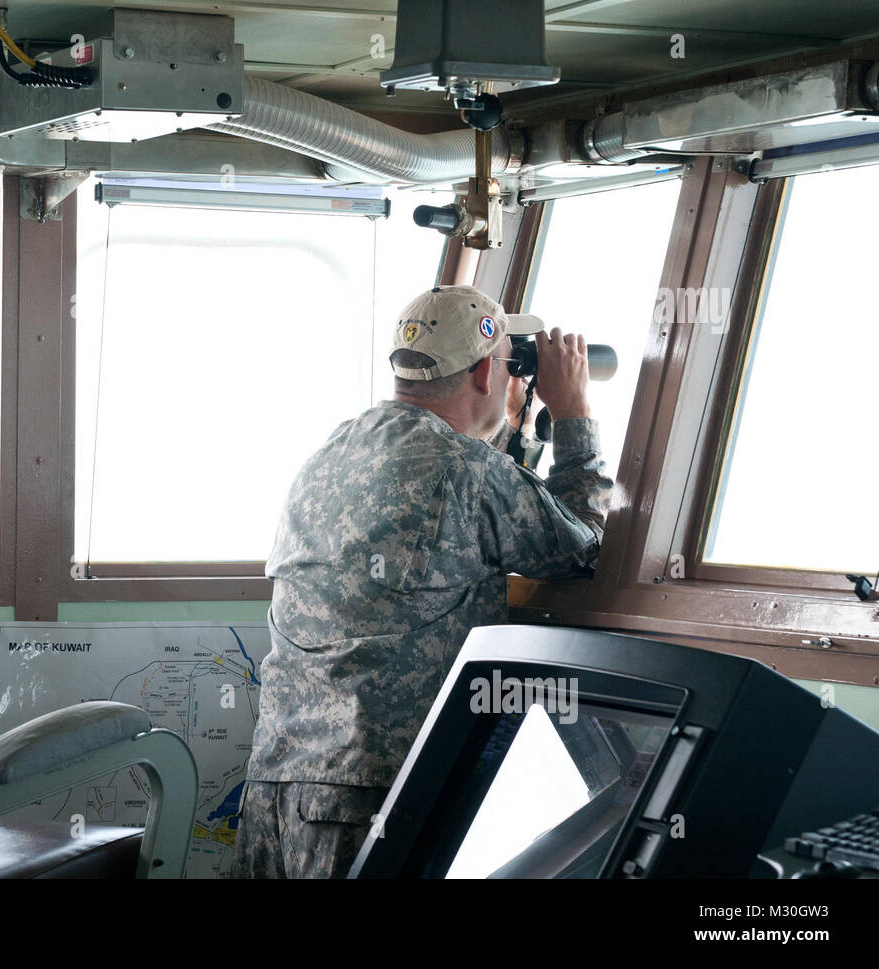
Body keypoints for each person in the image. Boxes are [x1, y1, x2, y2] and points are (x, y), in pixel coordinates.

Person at [230, 284, 614, 879]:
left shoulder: (329, 453)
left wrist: (512, 432)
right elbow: (582, 546)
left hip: (274, 787)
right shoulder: (467, 472)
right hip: (369, 800)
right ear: (488, 371)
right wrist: (574, 417)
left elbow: (473, 513)